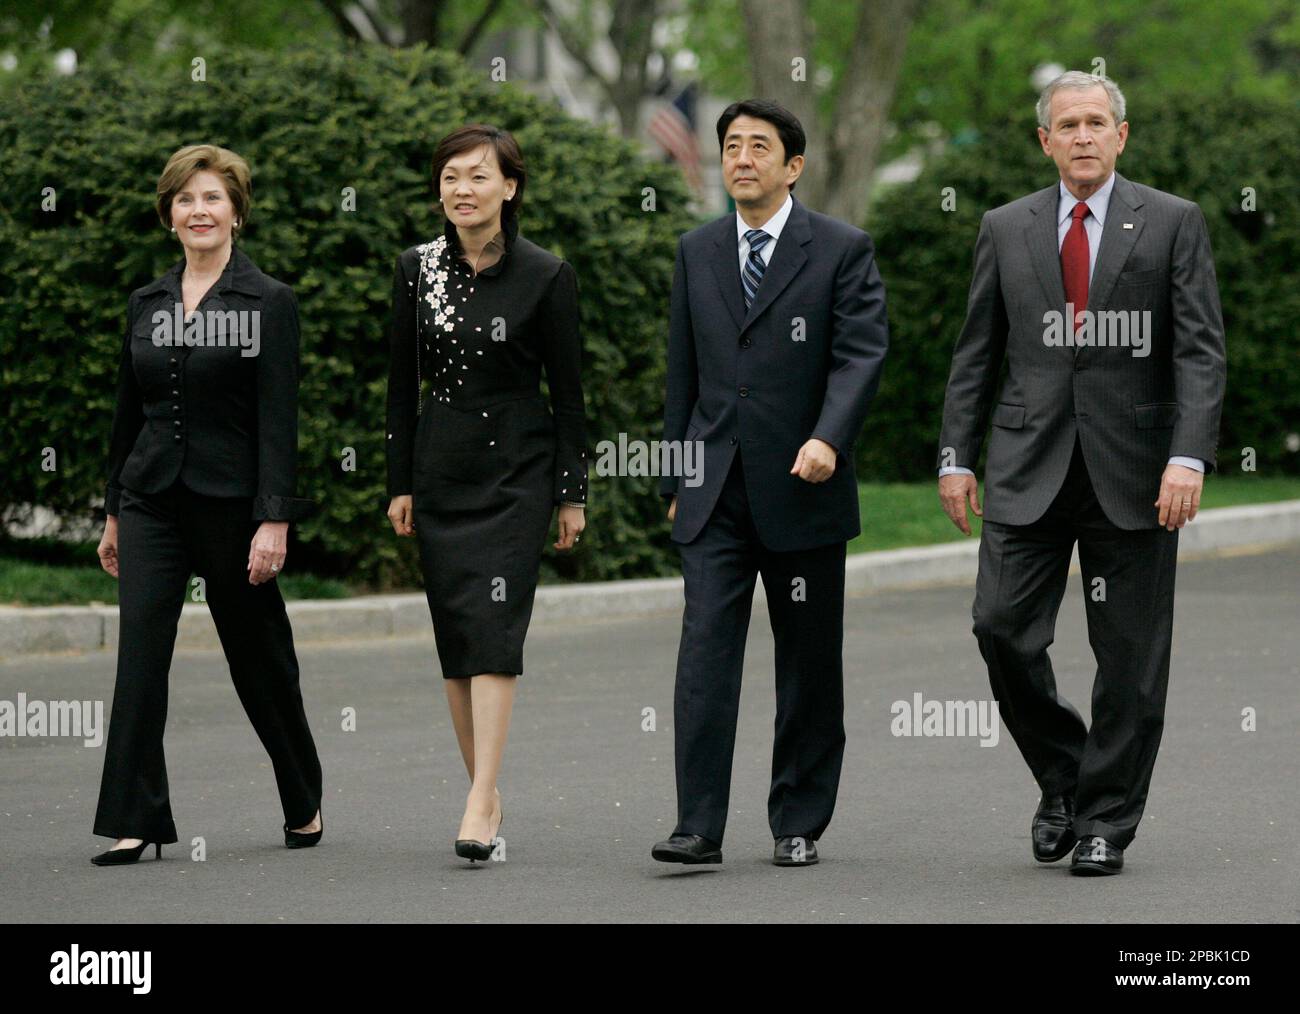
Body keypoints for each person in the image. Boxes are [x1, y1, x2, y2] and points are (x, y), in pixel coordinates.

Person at [936, 71, 1227, 875]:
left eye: (1097, 122)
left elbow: (1199, 349)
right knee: (999, 626)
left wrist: (1187, 453)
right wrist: (956, 457)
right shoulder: (1004, 227)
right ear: (1046, 141)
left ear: (1121, 135)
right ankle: (1065, 774)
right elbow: (975, 355)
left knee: (1129, 660)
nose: (1083, 136)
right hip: (1027, 464)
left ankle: (1104, 821)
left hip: (1137, 472)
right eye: (1067, 125)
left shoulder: (1171, 222)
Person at [652, 99, 889, 868]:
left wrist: (828, 437)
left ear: (793, 166)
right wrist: (675, 474)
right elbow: (682, 374)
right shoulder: (697, 249)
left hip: (804, 487)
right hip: (714, 491)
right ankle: (697, 826)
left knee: (809, 665)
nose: (741, 157)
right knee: (704, 657)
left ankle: (798, 820)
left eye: (760, 146)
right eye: (730, 145)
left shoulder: (841, 250)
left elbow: (861, 354)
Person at [93, 144, 322, 865]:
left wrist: (274, 518)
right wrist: (111, 512)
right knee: (138, 659)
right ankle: (136, 820)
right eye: (186, 199)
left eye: (213, 198)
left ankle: (302, 795)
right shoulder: (147, 302)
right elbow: (126, 415)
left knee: (259, 660)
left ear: (235, 213)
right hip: (150, 501)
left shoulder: (269, 302)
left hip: (234, 507)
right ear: (169, 214)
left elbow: (278, 421)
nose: (199, 210)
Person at [385, 124, 588, 863]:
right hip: (442, 468)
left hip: (516, 475)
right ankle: (487, 791)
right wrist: (399, 481)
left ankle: (478, 798)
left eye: (477, 176)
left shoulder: (546, 274)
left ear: (509, 187)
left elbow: (569, 396)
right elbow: (399, 386)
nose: (461, 190)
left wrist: (572, 493)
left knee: (495, 628)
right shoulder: (417, 269)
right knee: (455, 636)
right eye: (449, 178)